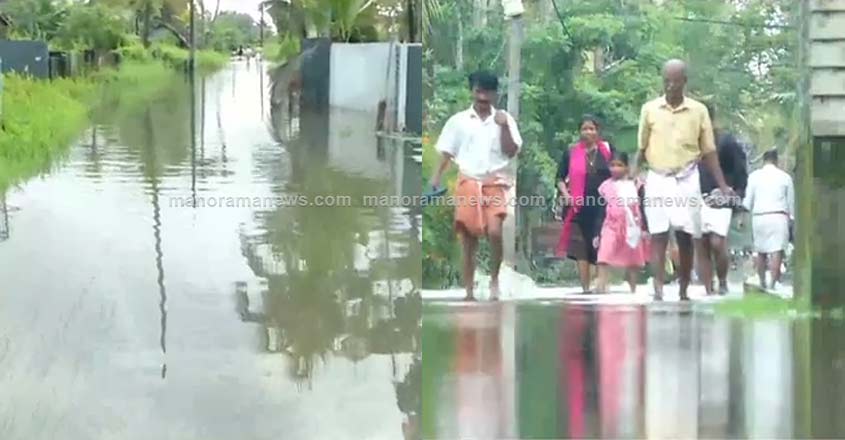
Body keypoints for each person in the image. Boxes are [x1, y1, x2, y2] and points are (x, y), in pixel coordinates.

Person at [631, 59, 734, 300]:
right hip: (658, 177)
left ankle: (683, 289)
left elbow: (709, 151)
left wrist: (722, 185)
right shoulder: (650, 109)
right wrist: (632, 177)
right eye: (666, 81)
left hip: (687, 178)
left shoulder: (698, 111)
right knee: (658, 235)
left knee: (686, 237)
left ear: (684, 82)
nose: (670, 86)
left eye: (675, 81)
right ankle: (658, 288)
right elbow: (641, 147)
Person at [430, 71, 522, 301]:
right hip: (468, 181)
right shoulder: (458, 121)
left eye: (487, 92)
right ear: (472, 91)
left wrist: (504, 127)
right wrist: (436, 178)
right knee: (468, 239)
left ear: (495, 94)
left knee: (495, 231)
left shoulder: (504, 120)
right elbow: (446, 152)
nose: (482, 96)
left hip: (494, 182)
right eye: (478, 91)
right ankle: (469, 290)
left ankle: (494, 279)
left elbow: (511, 151)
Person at [555, 115, 614, 292]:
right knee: (580, 249)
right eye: (585, 129)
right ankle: (585, 289)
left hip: (602, 208)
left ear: (598, 131)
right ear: (579, 132)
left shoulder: (607, 151)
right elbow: (559, 178)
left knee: (600, 246)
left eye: (592, 129)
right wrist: (566, 195)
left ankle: (600, 285)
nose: (588, 132)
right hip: (577, 207)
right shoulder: (571, 153)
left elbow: (619, 171)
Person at [697, 104, 748, 296]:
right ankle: (708, 287)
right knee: (701, 243)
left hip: (721, 198)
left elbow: (740, 168)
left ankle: (723, 281)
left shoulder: (726, 142)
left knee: (717, 242)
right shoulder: (689, 143)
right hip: (696, 196)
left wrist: (737, 193)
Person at [594, 151, 650, 293]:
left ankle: (633, 289)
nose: (615, 169)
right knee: (604, 255)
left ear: (626, 167)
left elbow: (643, 207)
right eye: (612, 165)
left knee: (632, 260)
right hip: (611, 225)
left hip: (632, 226)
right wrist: (597, 233)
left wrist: (645, 228)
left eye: (619, 165)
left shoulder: (636, 185)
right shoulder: (605, 187)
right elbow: (600, 210)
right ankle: (601, 286)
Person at [742, 149, 794, 289]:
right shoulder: (785, 177)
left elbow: (747, 202)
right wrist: (791, 219)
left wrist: (742, 218)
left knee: (761, 251)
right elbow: (791, 203)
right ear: (776, 160)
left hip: (759, 217)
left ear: (763, 160)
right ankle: (773, 284)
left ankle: (762, 282)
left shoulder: (754, 177)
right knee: (777, 250)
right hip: (778, 216)